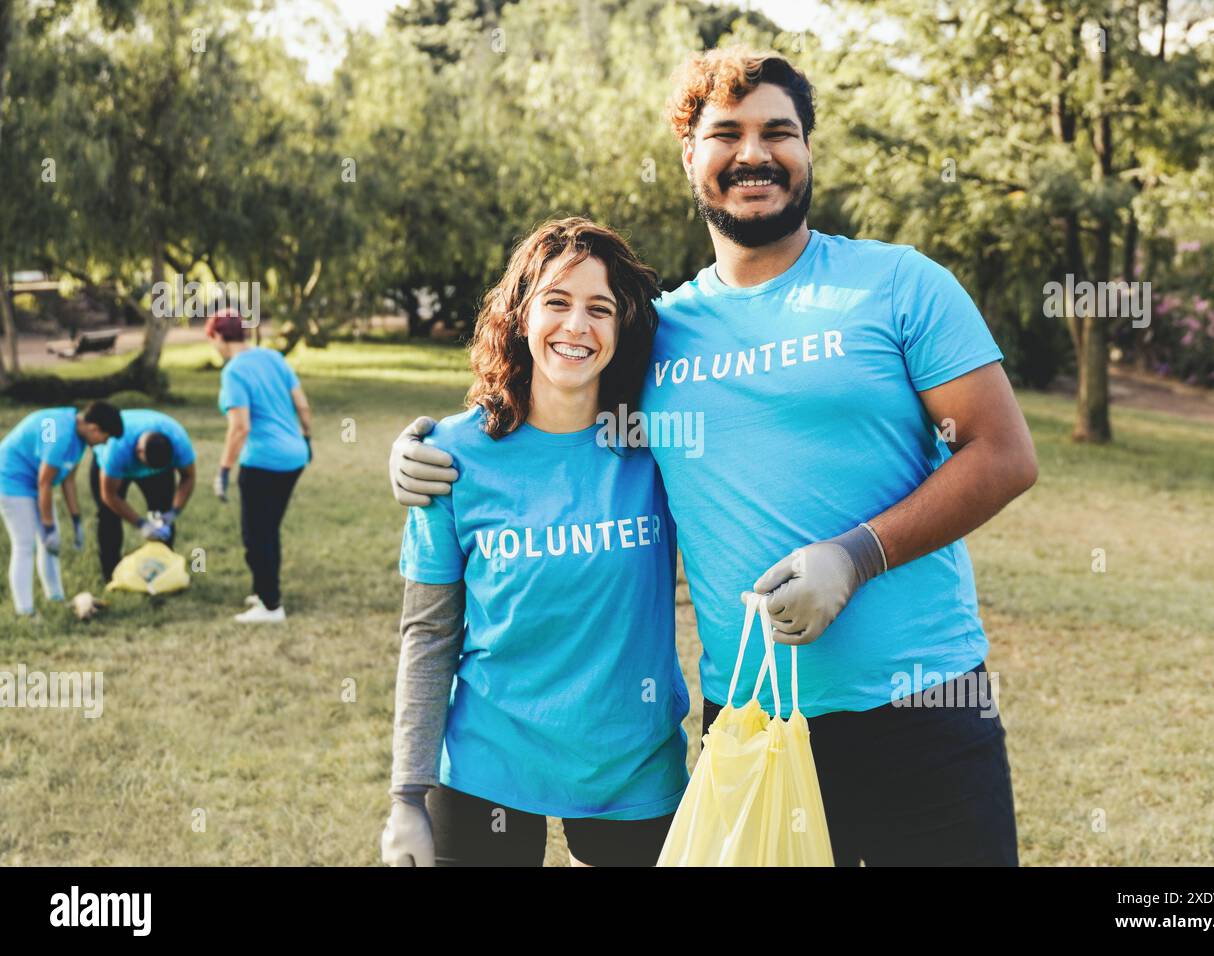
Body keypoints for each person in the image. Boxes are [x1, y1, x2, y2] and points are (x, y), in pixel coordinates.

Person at [389, 47, 1038, 866]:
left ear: (808, 151)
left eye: (780, 131)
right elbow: (549, 409)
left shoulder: (898, 284)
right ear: (689, 158)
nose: (754, 153)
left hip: (921, 703)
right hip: (749, 717)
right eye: (725, 132)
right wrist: (424, 450)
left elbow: (1004, 453)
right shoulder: (655, 334)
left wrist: (856, 556)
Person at [380, 217, 688, 868]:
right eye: (556, 301)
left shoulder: (659, 446)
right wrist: (407, 797)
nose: (576, 326)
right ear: (521, 315)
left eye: (599, 309)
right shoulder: (450, 459)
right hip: (488, 763)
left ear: (622, 328)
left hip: (631, 769)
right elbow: (428, 634)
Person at [205, 309, 311, 624]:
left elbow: (240, 428)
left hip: (264, 462)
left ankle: (270, 605)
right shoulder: (273, 358)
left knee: (256, 535)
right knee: (268, 530)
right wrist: (307, 438)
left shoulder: (233, 371)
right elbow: (302, 404)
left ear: (220, 337)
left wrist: (223, 471)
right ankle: (263, 590)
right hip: (294, 456)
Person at [0, 401, 123, 617]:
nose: (105, 442)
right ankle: (25, 612)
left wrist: (76, 520)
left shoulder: (80, 439)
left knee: (50, 546)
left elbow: (68, 481)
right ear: (94, 429)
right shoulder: (58, 435)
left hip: (37, 482)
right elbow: (44, 482)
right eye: (107, 437)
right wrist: (47, 527)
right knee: (25, 544)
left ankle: (56, 599)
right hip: (11, 480)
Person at [89, 408, 197, 581]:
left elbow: (189, 477)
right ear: (139, 452)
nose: (146, 471)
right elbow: (109, 495)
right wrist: (140, 524)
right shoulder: (116, 448)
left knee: (161, 514)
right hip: (116, 470)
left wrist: (173, 513)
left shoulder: (178, 441)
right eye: (146, 466)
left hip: (157, 469)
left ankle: (162, 570)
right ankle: (111, 573)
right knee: (108, 517)